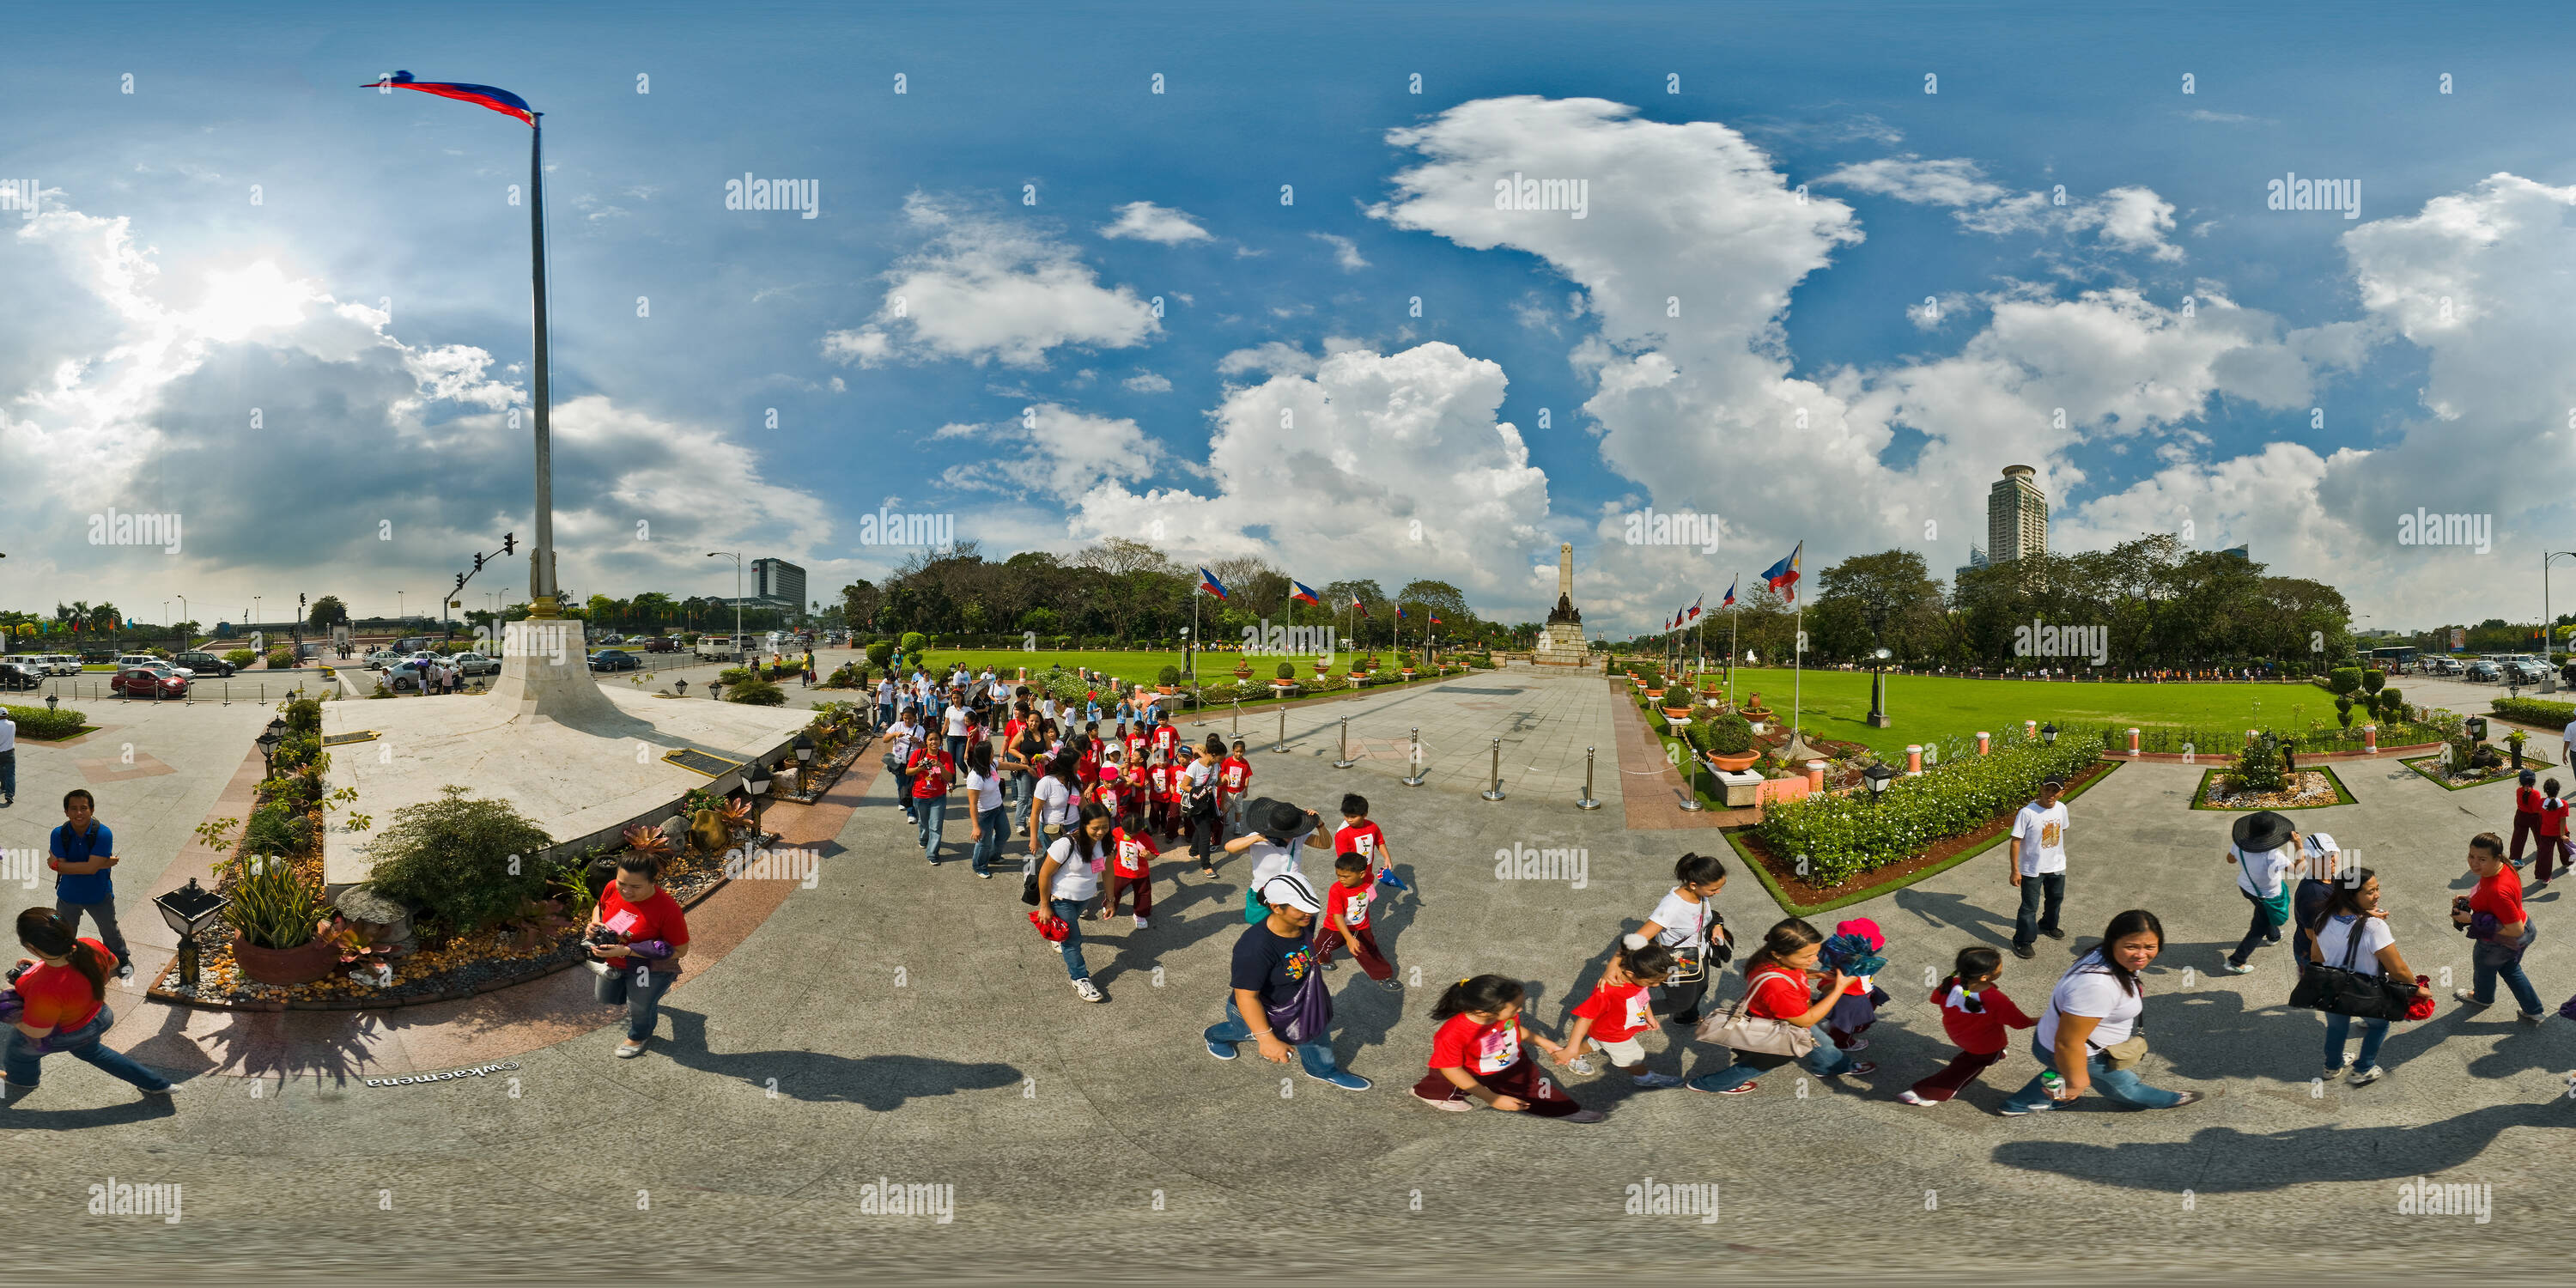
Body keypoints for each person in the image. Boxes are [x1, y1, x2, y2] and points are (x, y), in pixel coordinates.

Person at [1997, 909, 2202, 1113]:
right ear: (2113, 941)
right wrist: (2077, 1082)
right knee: (2127, 1087)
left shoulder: (2104, 955)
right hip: (2083, 1053)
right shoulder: (2098, 985)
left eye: (2150, 947)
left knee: (2059, 1072)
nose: (2142, 955)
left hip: (2051, 1041)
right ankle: (2168, 1099)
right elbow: (2068, 1043)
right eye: (2131, 946)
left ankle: (2035, 1102)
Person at [1204, 872, 1370, 1090]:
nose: (1309, 913)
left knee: (1317, 1032)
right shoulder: (1254, 948)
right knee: (1243, 1031)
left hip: (1303, 1001)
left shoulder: (1304, 921)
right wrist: (1266, 1038)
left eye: (1311, 906)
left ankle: (1322, 1070)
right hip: (1259, 1009)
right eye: (1300, 908)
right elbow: (1246, 996)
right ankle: (1214, 1036)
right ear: (1276, 907)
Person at [1685, 918, 1875, 1094]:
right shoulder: (1778, 988)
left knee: (1823, 1044)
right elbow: (1806, 1020)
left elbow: (1795, 972)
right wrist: (1838, 989)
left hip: (1783, 1017)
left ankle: (1834, 1067)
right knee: (1753, 1067)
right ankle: (1708, 1084)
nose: (1814, 959)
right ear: (1779, 954)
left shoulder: (1769, 960)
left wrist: (1816, 974)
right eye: (1806, 956)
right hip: (1780, 1030)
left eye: (1815, 953)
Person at [4, 908, 173, 1100]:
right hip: (98, 1016)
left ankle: (23, 1081)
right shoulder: (89, 944)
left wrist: (12, 1015)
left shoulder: (41, 988)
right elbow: (114, 964)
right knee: (95, 1053)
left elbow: (38, 1032)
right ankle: (158, 1084)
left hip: (69, 1033)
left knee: (20, 1049)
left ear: (30, 947)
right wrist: (41, 966)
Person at [1411, 975, 1603, 1121]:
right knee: (1445, 1083)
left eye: (1521, 1005)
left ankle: (1564, 1109)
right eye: (1516, 1007)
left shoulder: (1502, 1016)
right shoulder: (1452, 1034)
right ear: (1483, 1011)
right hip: (1473, 1069)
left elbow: (1514, 1030)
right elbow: (1451, 1069)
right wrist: (1492, 1098)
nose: (1520, 1011)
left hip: (1509, 1061)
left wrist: (1545, 1044)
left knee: (1532, 1086)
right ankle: (1428, 1095)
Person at [2311, 867, 2430, 1086]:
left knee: (2337, 1028)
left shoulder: (2322, 917)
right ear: (2351, 895)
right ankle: (2363, 1068)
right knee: (2379, 1025)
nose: (2377, 895)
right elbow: (2398, 970)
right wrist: (2416, 988)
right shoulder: (2374, 928)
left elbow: (2316, 956)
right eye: (2370, 891)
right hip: (2365, 991)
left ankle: (2332, 1066)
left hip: (2332, 987)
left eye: (2377, 888)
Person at [1898, 945, 2036, 1107]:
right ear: (1985, 977)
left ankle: (1998, 1055)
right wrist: (2043, 1019)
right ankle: (1927, 1092)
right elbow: (2020, 1023)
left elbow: (1935, 999)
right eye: (2000, 967)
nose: (2001, 969)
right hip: (1985, 1045)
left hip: (1957, 1034)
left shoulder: (1950, 984)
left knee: (1982, 1055)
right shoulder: (1996, 999)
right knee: (1965, 1069)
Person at [586, 854, 692, 1058]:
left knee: (639, 1006)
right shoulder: (611, 887)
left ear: (653, 882)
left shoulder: (668, 910)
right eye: (622, 883)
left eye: (636, 887)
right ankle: (653, 995)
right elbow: (599, 908)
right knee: (606, 997)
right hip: (614, 962)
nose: (626, 891)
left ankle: (639, 1035)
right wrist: (594, 925)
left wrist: (628, 951)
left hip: (647, 968)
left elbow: (680, 950)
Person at [1556, 934, 1685, 1089]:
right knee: (1633, 1056)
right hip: (1614, 1034)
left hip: (1608, 1028)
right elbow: (1584, 1018)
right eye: (1652, 982)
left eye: (1659, 981)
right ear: (1631, 973)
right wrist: (1571, 1045)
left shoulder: (1639, 976)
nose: (1656, 985)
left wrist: (1648, 1015)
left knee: (1596, 1042)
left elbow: (1642, 996)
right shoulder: (1608, 990)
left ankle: (1574, 1055)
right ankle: (1644, 1077)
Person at [2451, 831, 2545, 1023]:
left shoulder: (2498, 891)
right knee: (2510, 969)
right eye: (2471, 856)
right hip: (2527, 928)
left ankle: (2482, 998)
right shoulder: (2504, 867)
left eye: (2482, 859)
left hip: (2501, 942)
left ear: (2497, 857)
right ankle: (2534, 1010)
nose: (2474, 863)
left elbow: (2514, 929)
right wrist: (2472, 899)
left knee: (2484, 967)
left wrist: (2471, 920)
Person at [1638, 853, 1731, 1026]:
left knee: (1701, 986)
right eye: (1713, 889)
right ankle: (1630, 1011)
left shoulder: (1699, 895)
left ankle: (1686, 1017)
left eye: (1720, 887)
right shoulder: (1672, 907)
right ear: (1694, 885)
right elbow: (1638, 938)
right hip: (1674, 961)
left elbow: (1709, 915)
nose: (1718, 892)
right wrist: (1614, 966)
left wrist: (1717, 925)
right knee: (1679, 1002)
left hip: (1698, 953)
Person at [48, 789, 131, 979]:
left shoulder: (102, 833)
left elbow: (88, 869)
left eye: (83, 808)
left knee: (110, 931)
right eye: (73, 809)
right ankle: (64, 964)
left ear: (92, 810)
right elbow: (72, 868)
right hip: (68, 895)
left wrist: (58, 864)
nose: (79, 813)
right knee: (65, 934)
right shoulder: (58, 834)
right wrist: (102, 862)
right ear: (66, 812)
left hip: (98, 894)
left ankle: (122, 960)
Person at [1035, 804, 1114, 1002]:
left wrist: (1110, 900)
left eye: (1104, 827)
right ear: (1084, 825)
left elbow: (1108, 871)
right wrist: (1045, 905)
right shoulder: (1066, 844)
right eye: (1095, 828)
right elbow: (1044, 873)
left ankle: (1058, 934)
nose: (1100, 832)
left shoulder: (1106, 843)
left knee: (1067, 932)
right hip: (1061, 899)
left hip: (1085, 899)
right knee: (1073, 940)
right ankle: (1080, 978)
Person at [1226, 800, 1331, 922]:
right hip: (1263, 895)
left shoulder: (1299, 836)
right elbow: (1230, 847)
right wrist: (1257, 838)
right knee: (1262, 932)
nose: (1290, 837)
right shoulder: (1259, 839)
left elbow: (1325, 844)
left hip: (1290, 895)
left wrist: (1320, 825)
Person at [2222, 810, 2298, 974]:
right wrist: (2298, 846)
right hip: (2268, 896)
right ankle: (2236, 960)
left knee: (2263, 913)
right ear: (2272, 834)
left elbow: (2230, 859)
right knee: (2258, 928)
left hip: (2247, 888)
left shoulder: (2239, 845)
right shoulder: (2274, 855)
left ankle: (2274, 936)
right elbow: (2298, 869)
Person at [1315, 850, 1400, 989]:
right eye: (1338, 875)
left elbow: (1371, 890)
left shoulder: (1369, 879)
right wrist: (1348, 938)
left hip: (1361, 926)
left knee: (1370, 950)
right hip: (1335, 928)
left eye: (1346, 876)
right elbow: (1337, 916)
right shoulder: (1336, 890)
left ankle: (1383, 977)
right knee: (1322, 947)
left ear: (1361, 874)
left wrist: (1386, 874)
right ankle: (1321, 960)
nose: (1341, 879)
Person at [2008, 777, 2070, 959]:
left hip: (2057, 865)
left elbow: (2062, 829)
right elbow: (2016, 841)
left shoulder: (2062, 808)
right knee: (2029, 906)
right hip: (2032, 869)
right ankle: (2022, 940)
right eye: (2047, 789)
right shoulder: (2027, 813)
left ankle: (2048, 924)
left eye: (2055, 791)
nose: (2050, 794)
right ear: (2040, 789)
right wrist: (2015, 870)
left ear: (2062, 793)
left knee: (2056, 898)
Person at [906, 736, 957, 865]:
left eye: (936, 739)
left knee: (935, 826)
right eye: (930, 739)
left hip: (938, 797)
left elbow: (949, 776)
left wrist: (941, 766)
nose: (933, 742)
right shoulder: (919, 753)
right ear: (926, 742)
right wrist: (919, 769)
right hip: (920, 795)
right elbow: (908, 771)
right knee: (924, 823)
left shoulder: (946, 756)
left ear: (941, 741)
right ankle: (924, 839)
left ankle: (932, 854)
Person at [962, 742, 1008, 880]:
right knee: (984, 842)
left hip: (998, 808)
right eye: (992, 751)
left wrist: (1025, 767)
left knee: (1005, 833)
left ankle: (993, 857)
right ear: (984, 755)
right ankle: (979, 866)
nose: (994, 753)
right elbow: (973, 804)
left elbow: (1008, 766)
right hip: (985, 814)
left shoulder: (992, 765)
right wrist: (976, 827)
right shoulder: (975, 777)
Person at [1103, 816, 1159, 928]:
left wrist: (1149, 856)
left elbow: (1154, 855)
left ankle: (1140, 914)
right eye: (1126, 832)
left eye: (1132, 833)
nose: (1129, 835)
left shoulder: (1146, 838)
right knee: (1114, 889)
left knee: (1143, 894)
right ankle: (1110, 905)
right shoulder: (1117, 831)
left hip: (1140, 873)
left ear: (1140, 829)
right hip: (1120, 870)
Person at [1030, 751, 1083, 863]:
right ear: (1068, 766)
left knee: (1072, 861)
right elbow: (1035, 813)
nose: (1080, 766)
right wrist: (1033, 839)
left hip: (1074, 827)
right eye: (1078, 764)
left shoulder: (1076, 778)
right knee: (1052, 863)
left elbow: (1082, 803)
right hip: (1052, 831)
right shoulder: (1046, 783)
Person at [1184, 737, 1225, 878]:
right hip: (1196, 805)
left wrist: (1223, 779)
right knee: (1205, 834)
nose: (1222, 761)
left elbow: (1217, 783)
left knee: (1203, 828)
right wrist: (1199, 792)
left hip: (1208, 803)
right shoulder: (1195, 766)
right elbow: (1184, 785)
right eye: (1220, 758)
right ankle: (1206, 865)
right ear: (1213, 754)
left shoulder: (1216, 766)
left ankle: (1194, 851)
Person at [884, 706, 924, 825]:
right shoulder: (897, 725)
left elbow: (924, 748)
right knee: (902, 784)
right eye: (905, 718)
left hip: (912, 762)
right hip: (897, 761)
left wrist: (917, 741)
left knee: (907, 786)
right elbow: (885, 739)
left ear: (915, 718)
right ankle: (905, 804)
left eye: (910, 718)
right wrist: (895, 734)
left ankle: (910, 811)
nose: (907, 721)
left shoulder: (920, 729)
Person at [2535, 781, 2570, 890]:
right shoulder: (2564, 804)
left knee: (2545, 856)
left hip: (2546, 833)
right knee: (2565, 849)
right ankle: (2567, 862)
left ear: (2545, 791)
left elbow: (2539, 814)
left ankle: (2545, 877)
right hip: (2561, 832)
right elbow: (2562, 820)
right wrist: (2562, 835)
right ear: (2558, 790)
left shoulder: (2541, 802)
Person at [1218, 741, 1254, 835]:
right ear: (1233, 751)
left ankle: (1237, 825)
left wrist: (1246, 790)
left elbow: (1247, 776)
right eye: (1237, 751)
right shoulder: (1228, 761)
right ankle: (1225, 818)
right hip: (1228, 790)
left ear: (1244, 751)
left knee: (1239, 809)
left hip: (1239, 791)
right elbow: (1222, 772)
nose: (1238, 754)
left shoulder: (1245, 763)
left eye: (1241, 752)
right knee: (1226, 807)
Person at [2512, 769, 2544, 866]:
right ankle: (2542, 849)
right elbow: (2535, 809)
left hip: (2521, 815)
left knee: (2518, 837)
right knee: (2539, 834)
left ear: (2520, 781)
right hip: (2534, 817)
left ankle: (2517, 859)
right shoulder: (2536, 793)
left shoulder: (2518, 791)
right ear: (2533, 782)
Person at [0, 705, 15, 806]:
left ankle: (3, 787)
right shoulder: (12, 724)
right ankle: (9, 794)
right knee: (10, 774)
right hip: (10, 752)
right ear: (7, 715)